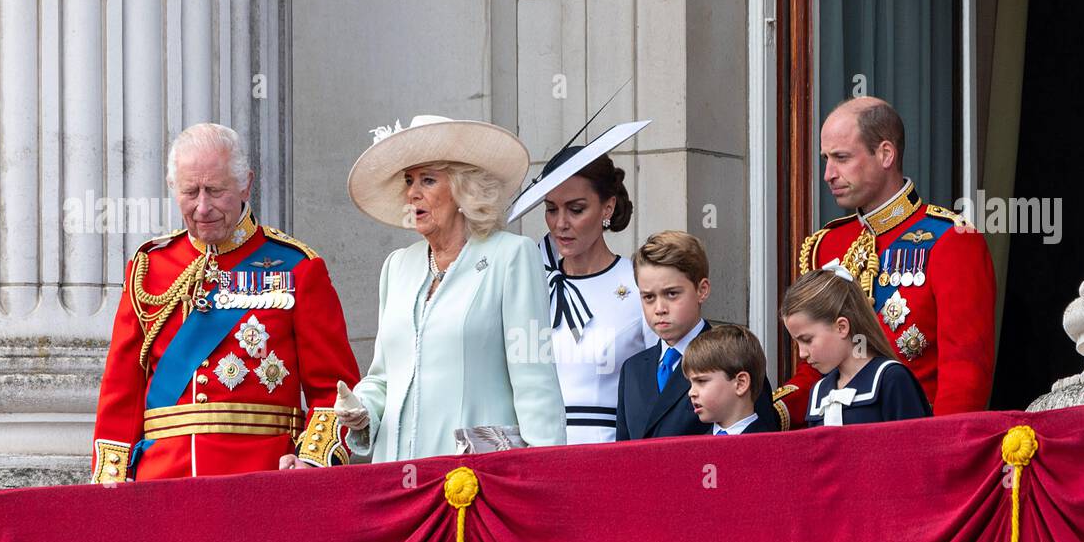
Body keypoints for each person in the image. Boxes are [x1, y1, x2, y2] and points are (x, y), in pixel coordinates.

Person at [90, 123, 361, 483]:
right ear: (173, 189)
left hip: (262, 480)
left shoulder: (297, 267)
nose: (203, 208)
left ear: (246, 184)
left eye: (215, 191)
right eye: (190, 192)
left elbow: (335, 390)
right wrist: (111, 481)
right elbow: (120, 391)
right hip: (162, 482)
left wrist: (310, 462)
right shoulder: (149, 268)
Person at [332, 115, 567, 463]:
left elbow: (535, 379)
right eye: (409, 180)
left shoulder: (511, 256)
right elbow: (383, 378)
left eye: (428, 180)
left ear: (462, 189)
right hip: (396, 479)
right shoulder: (398, 266)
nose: (413, 192)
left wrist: (545, 471)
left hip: (474, 477)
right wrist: (362, 408)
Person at [772, 96, 996, 429]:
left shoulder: (951, 240)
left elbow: (964, 377)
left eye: (842, 158)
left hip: (911, 439)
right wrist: (764, 413)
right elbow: (813, 369)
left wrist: (940, 456)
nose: (828, 174)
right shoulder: (826, 245)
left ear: (885, 154)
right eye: (826, 159)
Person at [509, 130, 656, 443]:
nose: (561, 223)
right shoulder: (527, 282)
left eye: (576, 209)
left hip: (607, 457)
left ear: (607, 207)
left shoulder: (638, 284)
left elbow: (661, 381)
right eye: (551, 209)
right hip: (533, 456)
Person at [616, 231, 781, 440]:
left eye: (672, 293)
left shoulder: (733, 355)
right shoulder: (633, 369)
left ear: (702, 290)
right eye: (648, 297)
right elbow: (623, 452)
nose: (659, 308)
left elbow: (760, 443)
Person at [781, 266, 931, 427]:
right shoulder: (819, 391)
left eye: (807, 339)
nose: (802, 353)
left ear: (841, 327)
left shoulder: (891, 379)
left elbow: (916, 448)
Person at [682, 324, 776, 436]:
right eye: (691, 383)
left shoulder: (771, 447)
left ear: (741, 384)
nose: (691, 392)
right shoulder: (693, 448)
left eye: (701, 381)